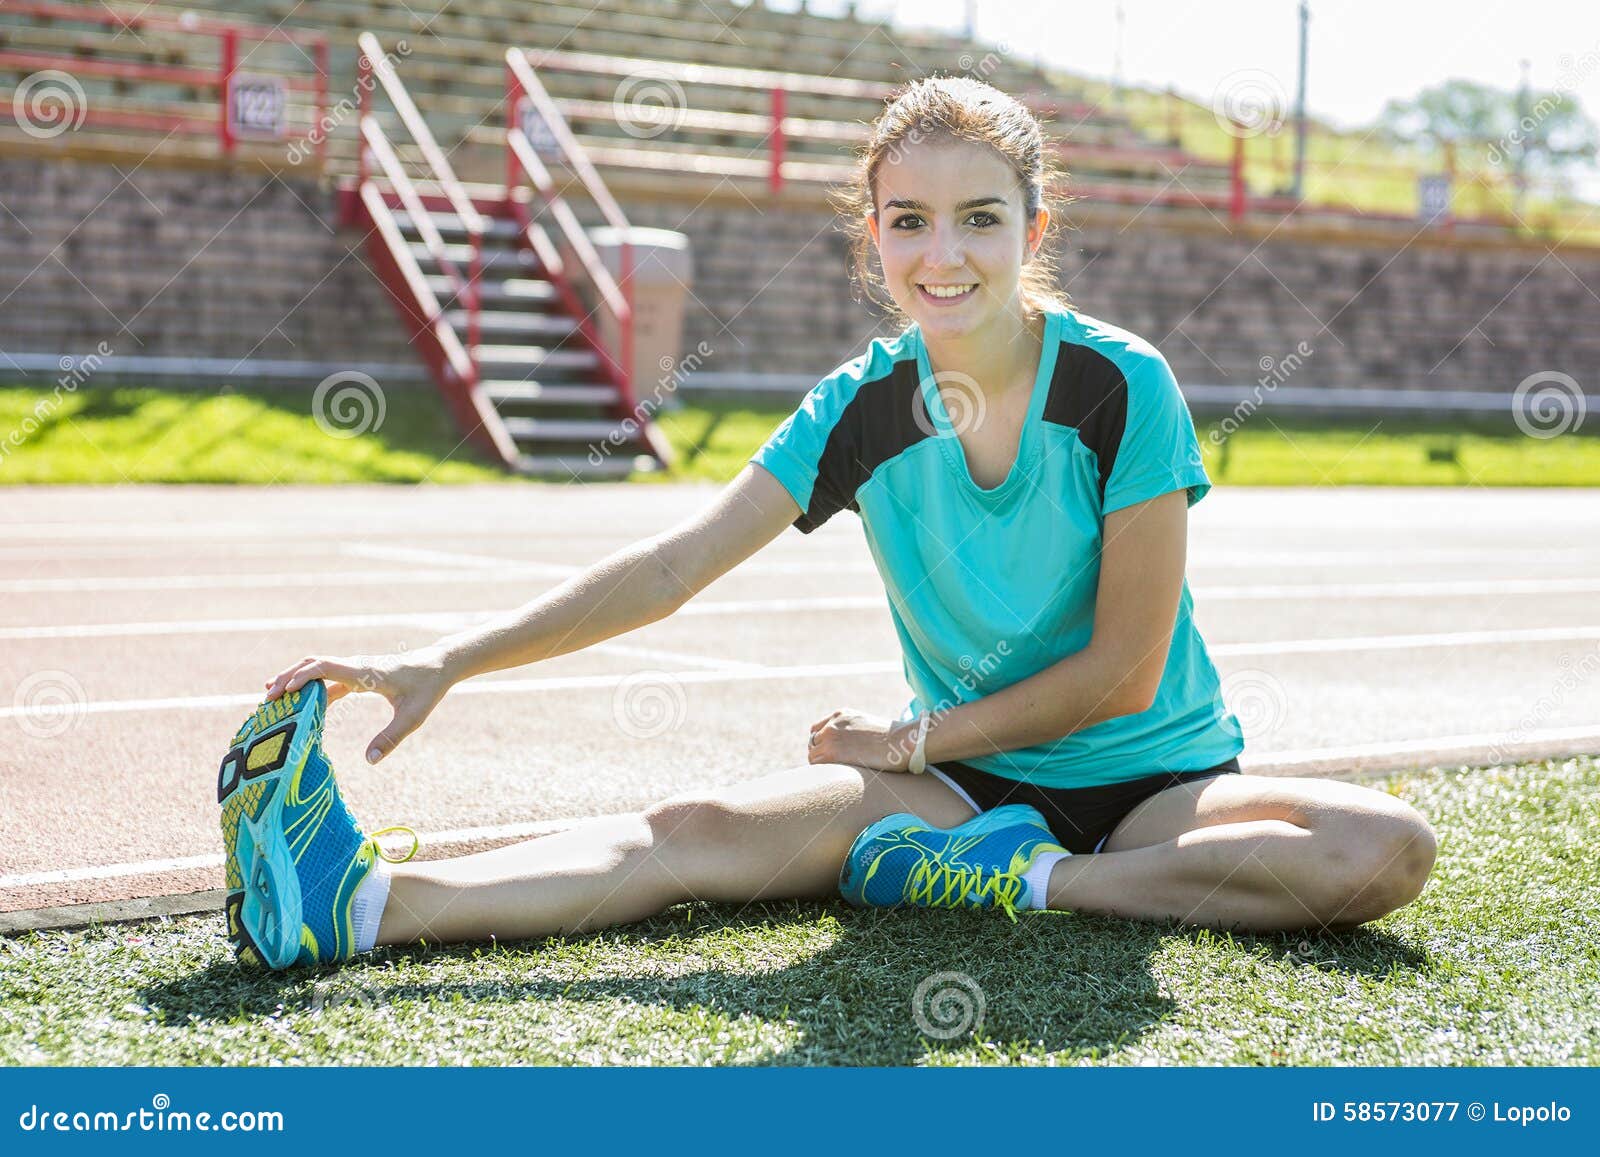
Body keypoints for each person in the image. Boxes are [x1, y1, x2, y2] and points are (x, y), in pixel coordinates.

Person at [220, 76, 1436, 970]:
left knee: (1380, 849)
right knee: (687, 837)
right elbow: (672, 564)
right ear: (874, 235)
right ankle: (361, 903)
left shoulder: (1122, 387)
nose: (942, 253)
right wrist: (449, 657)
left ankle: (1034, 884)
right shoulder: (858, 406)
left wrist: (914, 745)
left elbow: (1119, 675)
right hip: (955, 788)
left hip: (1154, 786)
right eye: (907, 219)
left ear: (1032, 228)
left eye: (977, 218)